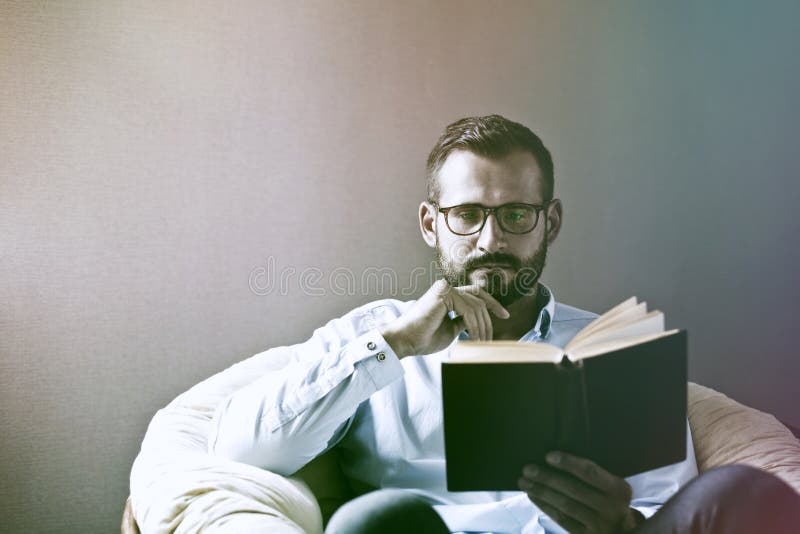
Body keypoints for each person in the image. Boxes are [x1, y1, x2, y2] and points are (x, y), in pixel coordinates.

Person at [209, 115, 799, 533]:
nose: (492, 240)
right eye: (467, 214)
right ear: (429, 224)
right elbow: (238, 450)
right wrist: (395, 344)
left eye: (516, 214)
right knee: (369, 520)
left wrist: (621, 525)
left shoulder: (615, 345)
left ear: (551, 222)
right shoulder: (376, 335)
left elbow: (674, 505)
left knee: (741, 493)